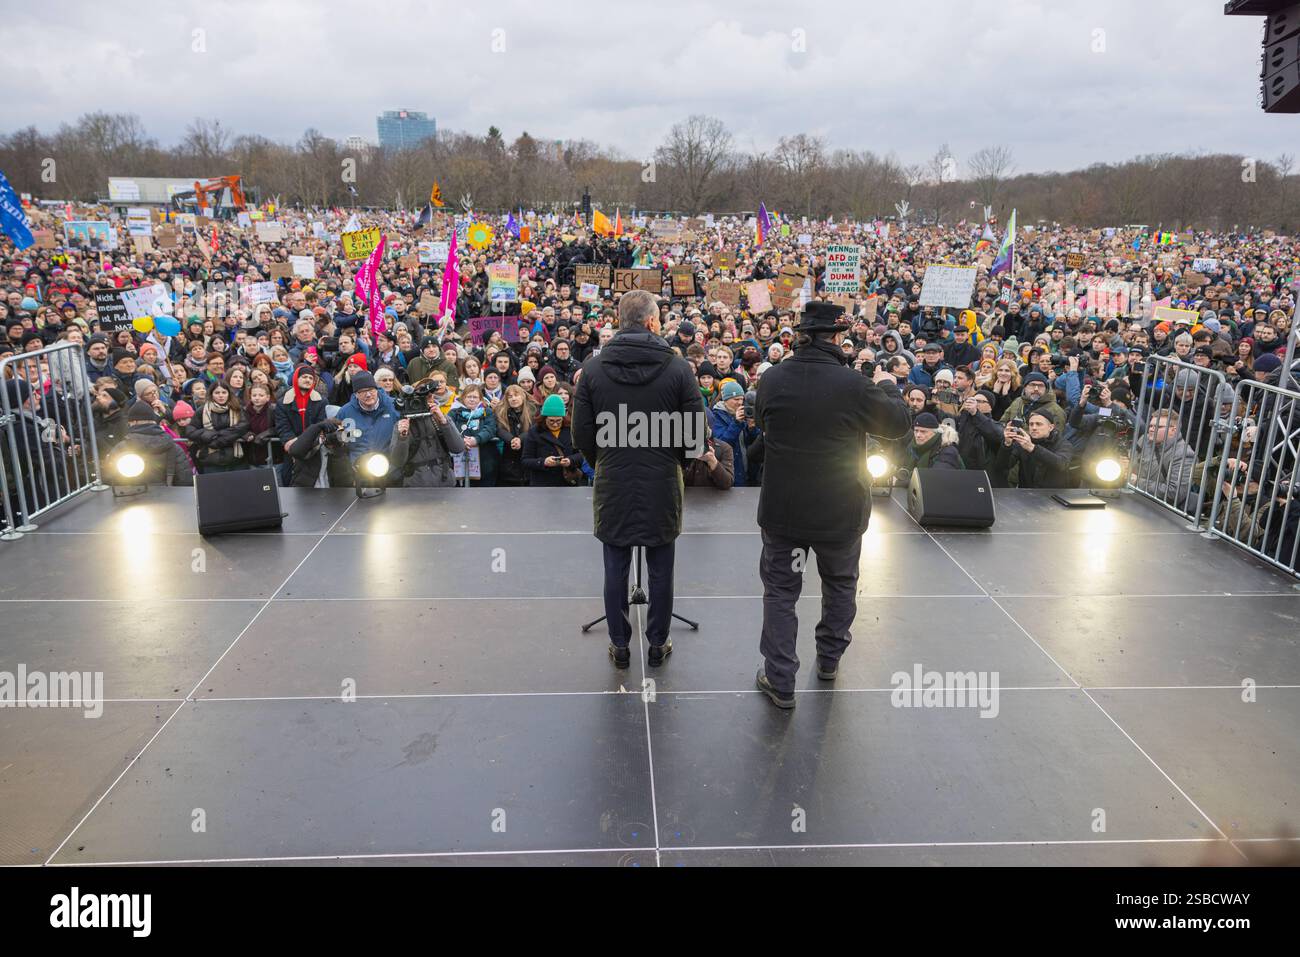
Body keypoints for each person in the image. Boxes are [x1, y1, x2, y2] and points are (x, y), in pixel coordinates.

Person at [752, 301, 911, 709]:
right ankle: (828, 660)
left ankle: (780, 678)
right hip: (839, 512)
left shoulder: (772, 379)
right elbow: (897, 426)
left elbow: (762, 425)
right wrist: (888, 386)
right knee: (839, 584)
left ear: (803, 335)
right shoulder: (854, 385)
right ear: (837, 338)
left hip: (785, 512)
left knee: (782, 591)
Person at [573, 289, 705, 668]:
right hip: (663, 481)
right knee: (661, 568)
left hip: (613, 479)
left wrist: (605, 459)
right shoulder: (679, 368)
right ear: (651, 322)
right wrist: (673, 460)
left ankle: (619, 644)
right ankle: (658, 643)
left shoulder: (594, 370)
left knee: (615, 566)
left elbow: (581, 434)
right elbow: (695, 436)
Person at [389, 387, 466, 487]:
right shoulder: (402, 425)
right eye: (424, 397)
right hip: (416, 484)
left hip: (444, 480)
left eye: (430, 396)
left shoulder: (439, 418)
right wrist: (402, 437)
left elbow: (458, 448)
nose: (428, 399)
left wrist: (444, 422)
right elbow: (397, 461)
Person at [997, 409, 1073, 488]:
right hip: (1027, 493)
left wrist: (1033, 448)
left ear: (1051, 427)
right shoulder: (1023, 442)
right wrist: (1007, 444)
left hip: (1053, 494)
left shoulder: (1063, 444)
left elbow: (1062, 464)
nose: (1034, 428)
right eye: (1031, 424)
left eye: (1038, 424)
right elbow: (1003, 466)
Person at [522, 393, 584, 487]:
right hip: (542, 484)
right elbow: (525, 460)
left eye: (558, 420)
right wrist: (544, 462)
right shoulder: (534, 432)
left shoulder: (571, 430)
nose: (555, 424)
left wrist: (570, 460)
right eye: (551, 421)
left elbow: (582, 454)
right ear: (544, 418)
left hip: (566, 483)